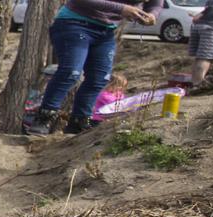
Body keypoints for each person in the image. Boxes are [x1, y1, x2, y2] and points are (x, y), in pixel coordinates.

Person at [24, 0, 159, 136]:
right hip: (74, 22)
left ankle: (79, 123)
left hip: (106, 30)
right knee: (71, 72)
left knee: (99, 79)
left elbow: (155, 3)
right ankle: (43, 118)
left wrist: (152, 14)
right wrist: (121, 8)